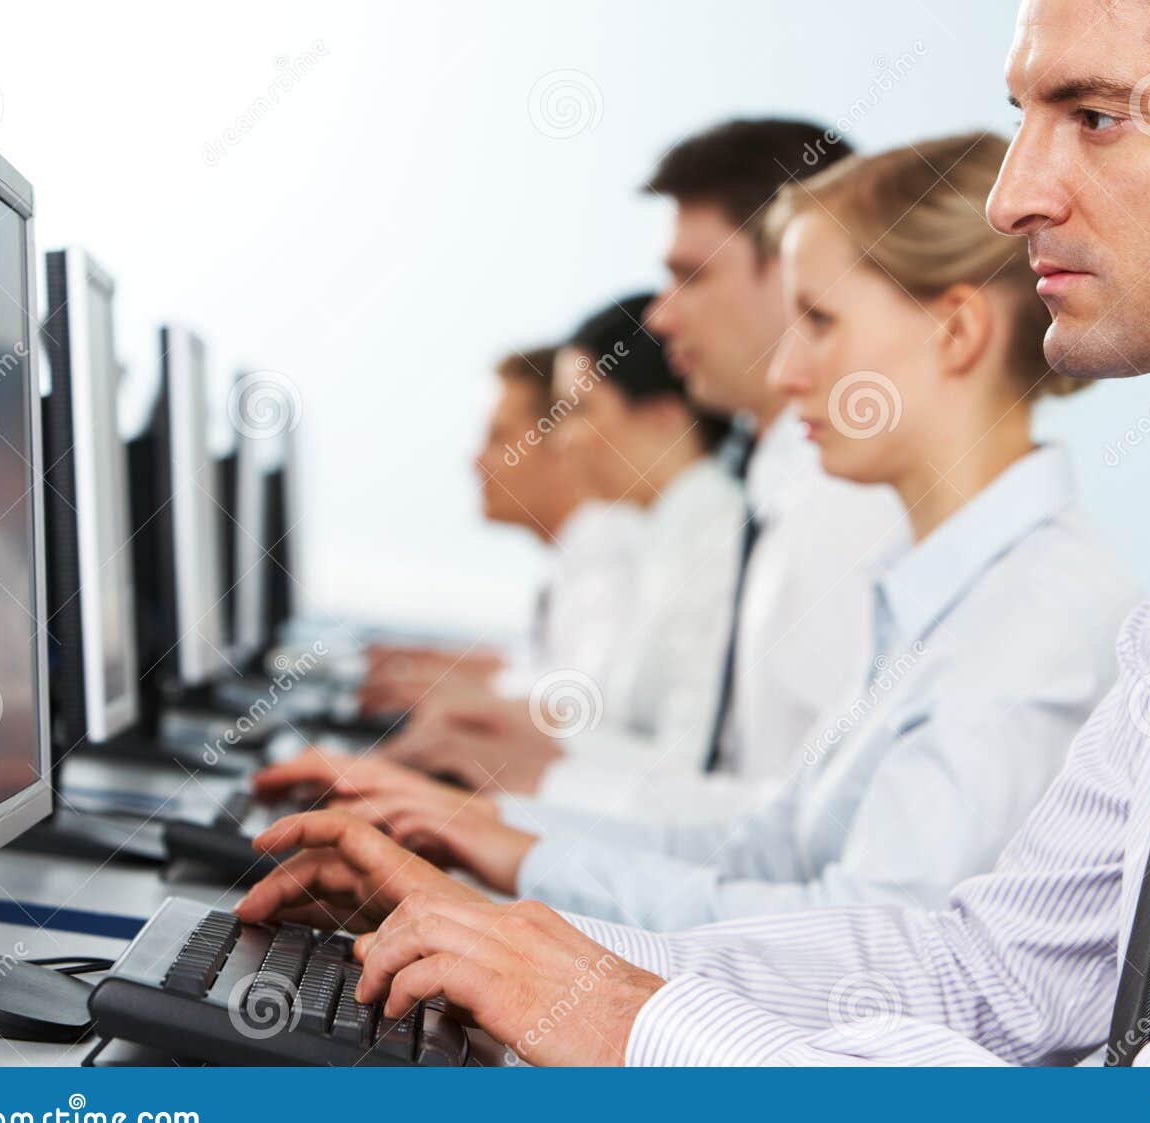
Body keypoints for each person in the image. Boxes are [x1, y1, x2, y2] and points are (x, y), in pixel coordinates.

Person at [240, 0, 1150, 1066]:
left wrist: (628, 1020)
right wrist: (536, 950)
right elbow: (996, 967)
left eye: (1094, 116)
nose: (1017, 194)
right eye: (1023, 117)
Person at [254, 133, 1139, 932]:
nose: (789, 371)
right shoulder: (929, 579)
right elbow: (771, 848)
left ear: (956, 331)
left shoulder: (1037, 615)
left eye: (820, 323)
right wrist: (489, 836)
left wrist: (507, 881)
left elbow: (868, 945)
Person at [386, 120, 912, 823]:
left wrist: (526, 794)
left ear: (796, 270)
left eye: (690, 275)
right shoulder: (777, 498)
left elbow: (802, 844)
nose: (660, 317)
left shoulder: (842, 518)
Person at [387, 294, 744, 774]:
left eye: (580, 410)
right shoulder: (672, 538)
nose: (560, 438)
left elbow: (685, 769)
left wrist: (503, 744)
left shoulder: (714, 542)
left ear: (665, 417)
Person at [360, 347, 646, 715]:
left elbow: (585, 715)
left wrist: (467, 693)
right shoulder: (579, 560)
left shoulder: (612, 556)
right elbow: (559, 678)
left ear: (561, 442)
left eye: (499, 437)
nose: (476, 460)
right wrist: (466, 675)